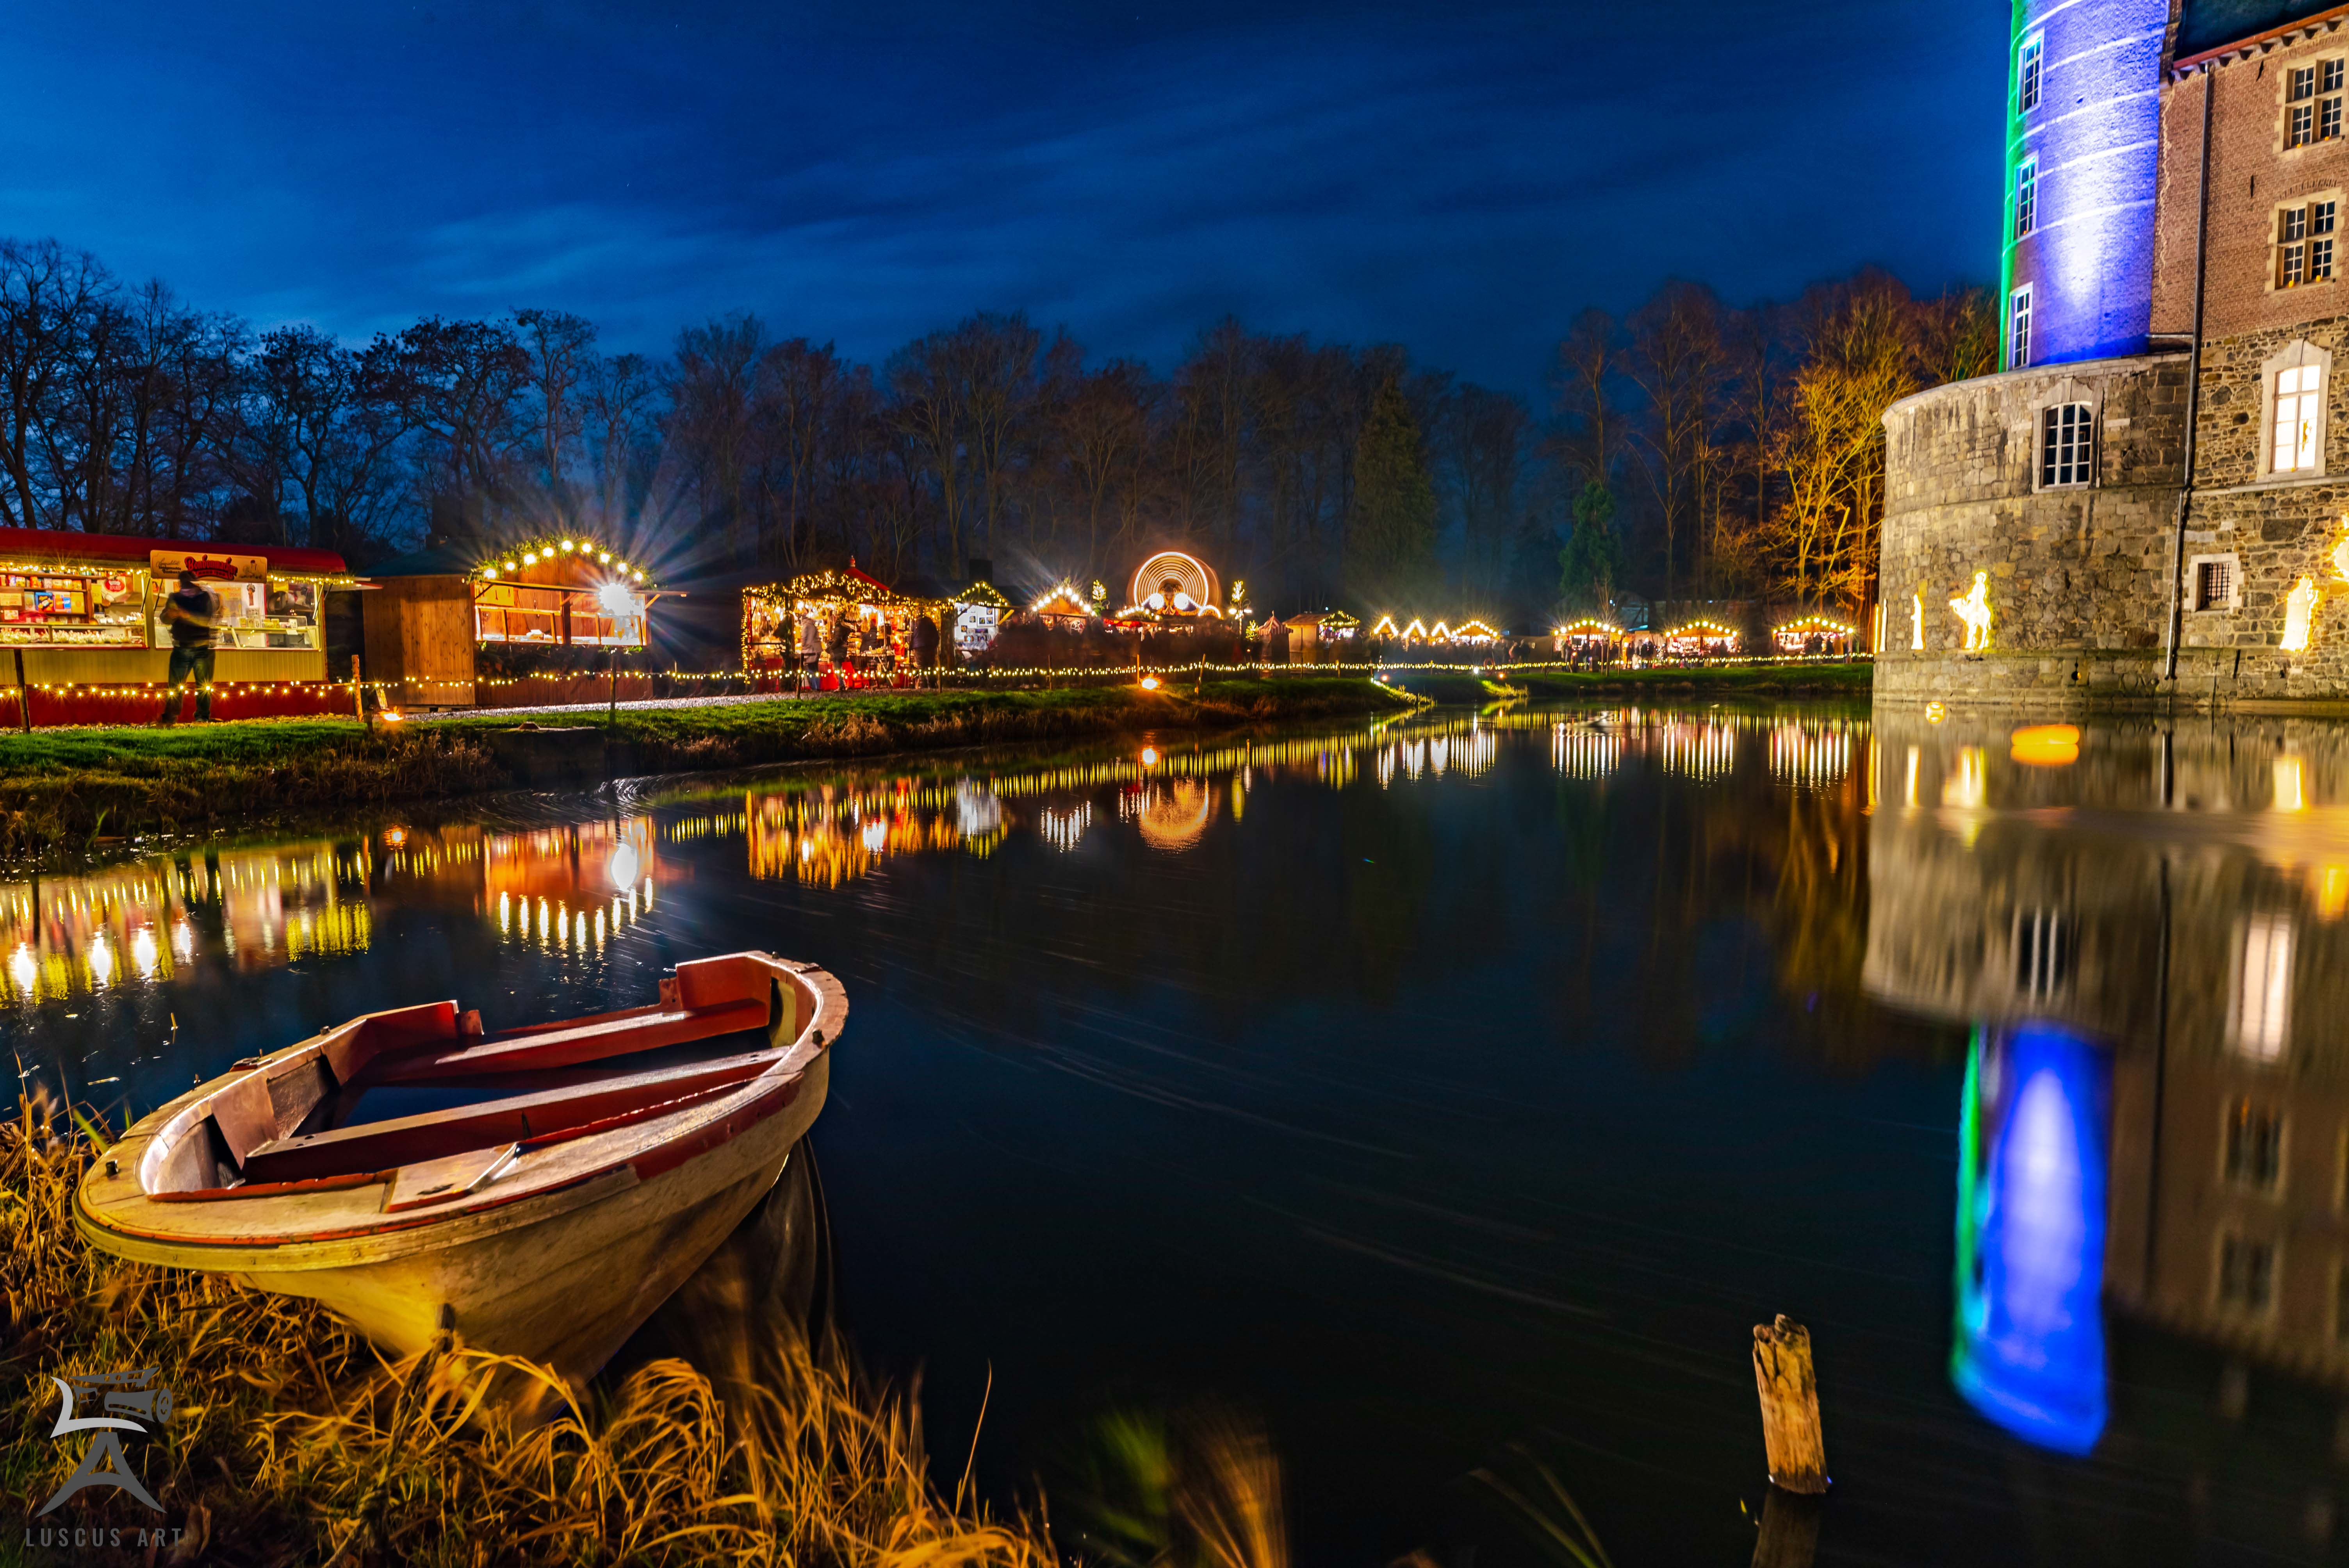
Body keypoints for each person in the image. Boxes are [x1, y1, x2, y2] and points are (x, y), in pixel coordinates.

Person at [154, 569, 217, 724]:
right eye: (184, 587)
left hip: (202, 647)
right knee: (175, 686)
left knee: (203, 686)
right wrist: (170, 615)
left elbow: (205, 621)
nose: (186, 591)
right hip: (181, 646)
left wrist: (185, 615)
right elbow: (164, 618)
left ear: (196, 586)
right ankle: (170, 717)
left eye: (189, 587)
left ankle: (202, 717)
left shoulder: (205, 598)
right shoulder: (175, 597)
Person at [910, 611, 939, 687]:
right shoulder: (930, 621)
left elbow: (911, 636)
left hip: (918, 647)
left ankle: (922, 684)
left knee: (921, 667)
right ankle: (931, 684)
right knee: (930, 666)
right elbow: (936, 635)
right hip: (930, 647)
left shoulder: (914, 622)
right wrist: (935, 645)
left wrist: (911, 647)